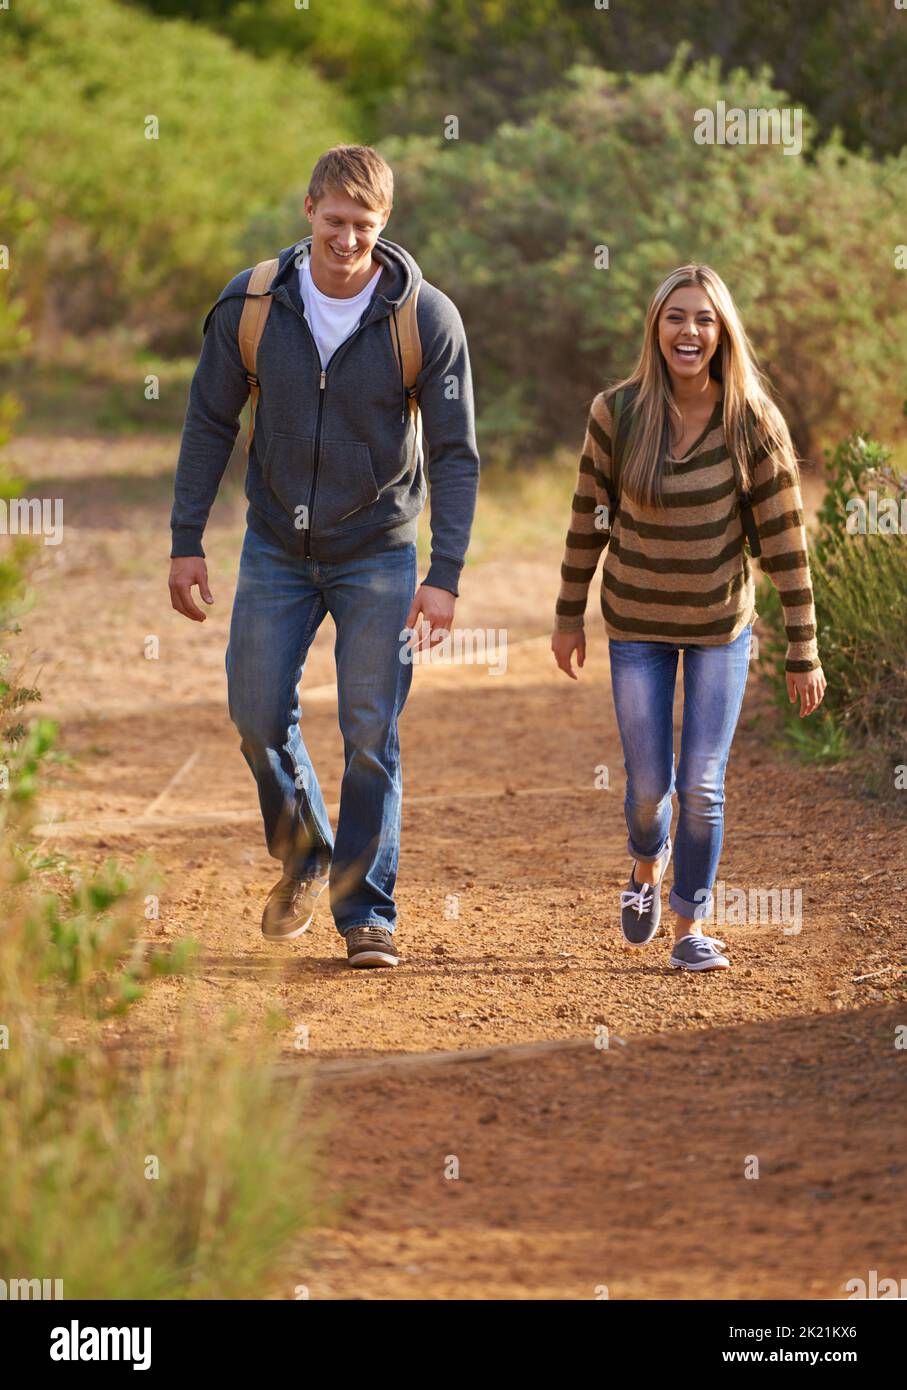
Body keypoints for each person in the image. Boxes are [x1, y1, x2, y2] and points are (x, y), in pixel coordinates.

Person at [168, 145, 479, 968]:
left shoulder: (424, 318)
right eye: (334, 221)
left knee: (370, 732)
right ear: (308, 210)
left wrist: (443, 574)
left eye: (363, 226)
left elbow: (454, 452)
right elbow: (208, 423)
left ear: (385, 226)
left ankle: (365, 910)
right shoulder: (254, 303)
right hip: (275, 544)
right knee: (256, 712)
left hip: (378, 551)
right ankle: (303, 848)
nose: (347, 239)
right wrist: (184, 540)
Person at [551, 264, 826, 971]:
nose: (689, 331)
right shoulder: (617, 413)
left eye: (703, 319)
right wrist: (566, 613)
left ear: (721, 332)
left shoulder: (752, 421)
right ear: (655, 328)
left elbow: (786, 542)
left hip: (718, 629)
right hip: (636, 624)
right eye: (676, 317)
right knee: (649, 788)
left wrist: (804, 647)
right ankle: (645, 867)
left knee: (701, 785)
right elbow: (589, 518)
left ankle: (688, 927)